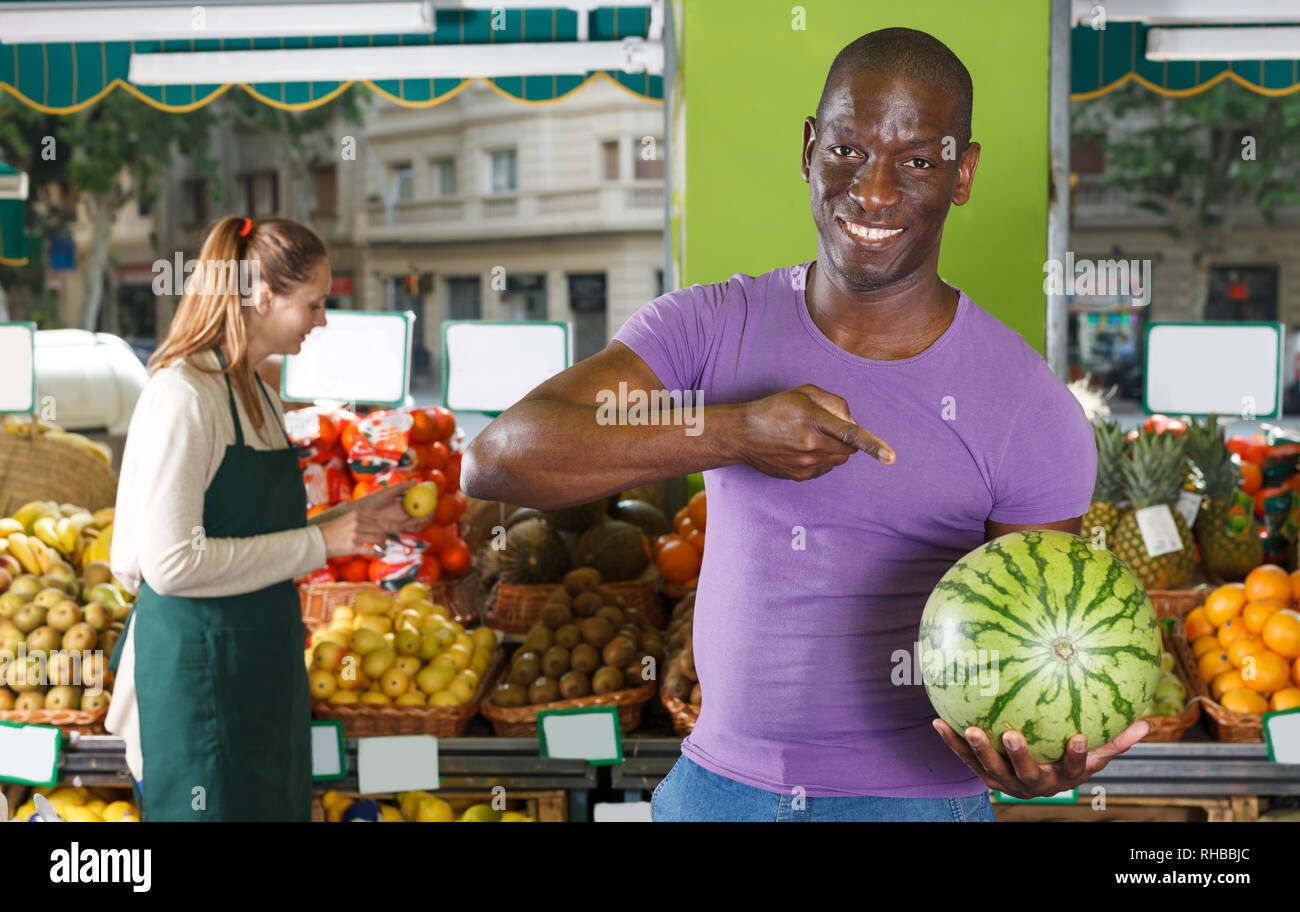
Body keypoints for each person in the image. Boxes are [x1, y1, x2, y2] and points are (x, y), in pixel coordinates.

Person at [463, 28, 1150, 822]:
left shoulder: (1030, 407)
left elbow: (1039, 648)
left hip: (915, 807)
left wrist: (1037, 761)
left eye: (919, 161)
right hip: (715, 791)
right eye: (849, 150)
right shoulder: (707, 326)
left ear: (963, 175)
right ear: (808, 148)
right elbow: (496, 460)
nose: (876, 191)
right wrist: (730, 432)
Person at [106, 216, 425, 821]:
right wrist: (319, 543)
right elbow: (169, 564)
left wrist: (353, 516)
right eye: (315, 303)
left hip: (260, 671)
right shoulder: (184, 396)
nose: (323, 319)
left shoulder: (259, 396)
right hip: (198, 684)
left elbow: (251, 533)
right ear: (261, 296)